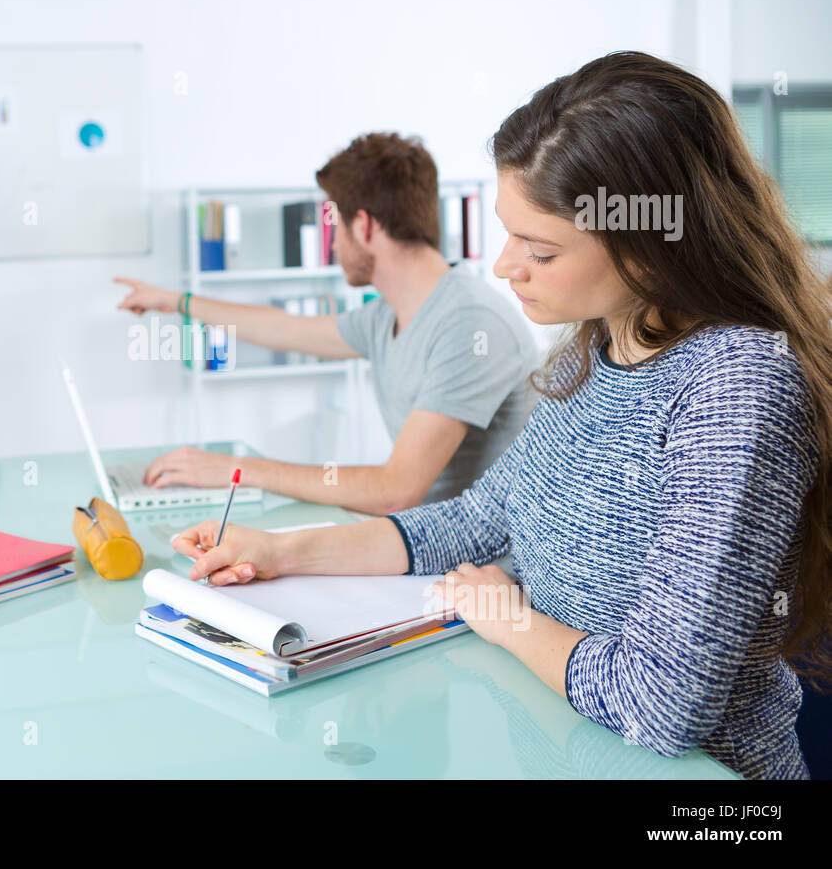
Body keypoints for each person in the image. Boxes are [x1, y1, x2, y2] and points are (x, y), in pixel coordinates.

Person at [170, 52, 832, 780]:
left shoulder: (734, 385)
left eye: (541, 250)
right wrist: (282, 552)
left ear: (650, 243)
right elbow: (476, 519)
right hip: (571, 748)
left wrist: (508, 618)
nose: (504, 266)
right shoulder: (596, 349)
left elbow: (662, 702)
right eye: (508, 233)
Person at [115, 133, 539, 516]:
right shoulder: (385, 314)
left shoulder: (468, 323)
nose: (333, 244)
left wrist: (233, 469)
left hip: (480, 571)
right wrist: (177, 301)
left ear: (365, 225)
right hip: (422, 541)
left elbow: (396, 490)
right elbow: (283, 329)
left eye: (334, 225)